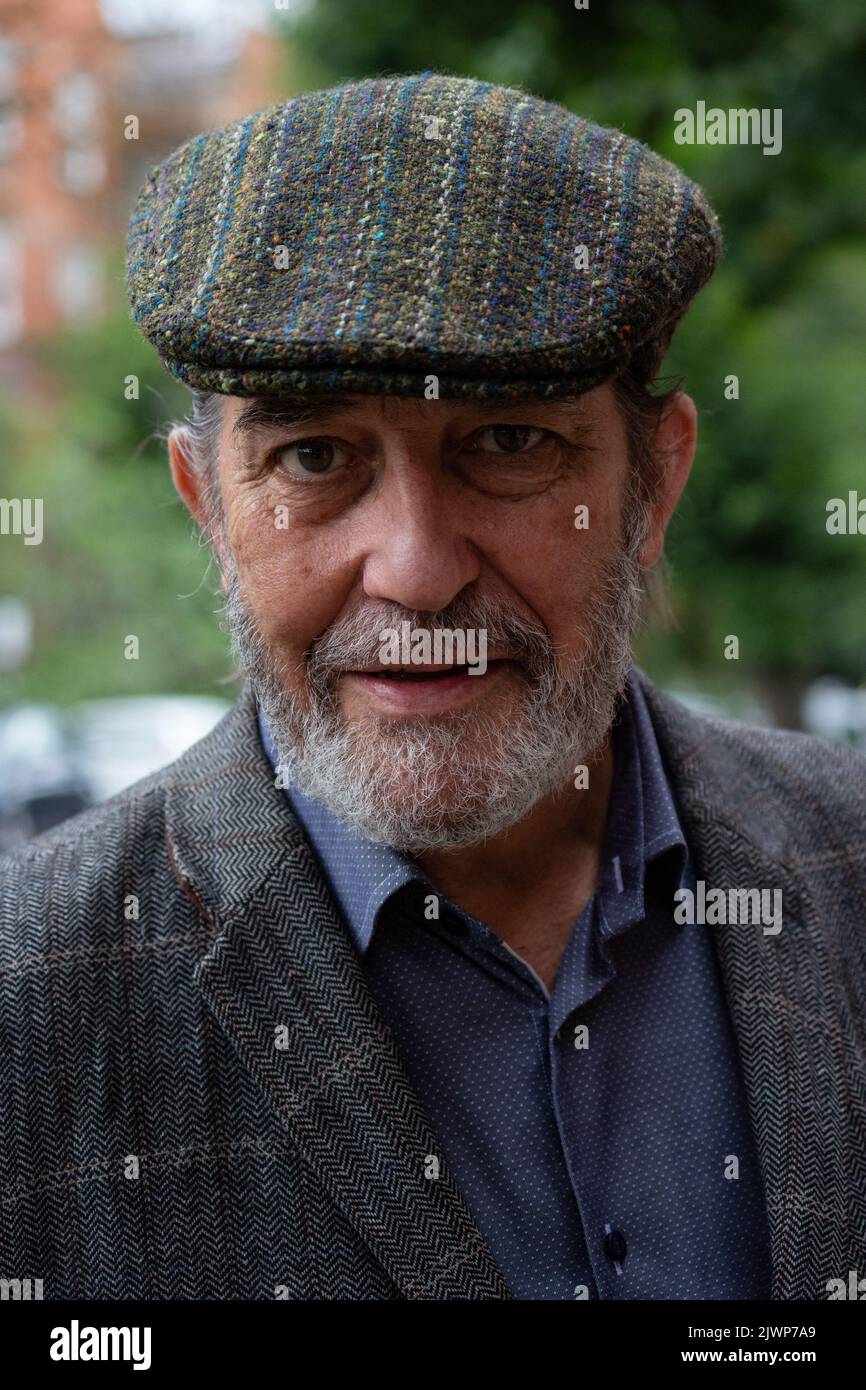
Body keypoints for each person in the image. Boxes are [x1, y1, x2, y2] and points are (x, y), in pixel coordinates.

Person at [1, 73, 864, 1301]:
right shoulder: (29, 998)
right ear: (210, 510)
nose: (414, 570)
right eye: (313, 455)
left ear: (653, 484)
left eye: (507, 442)